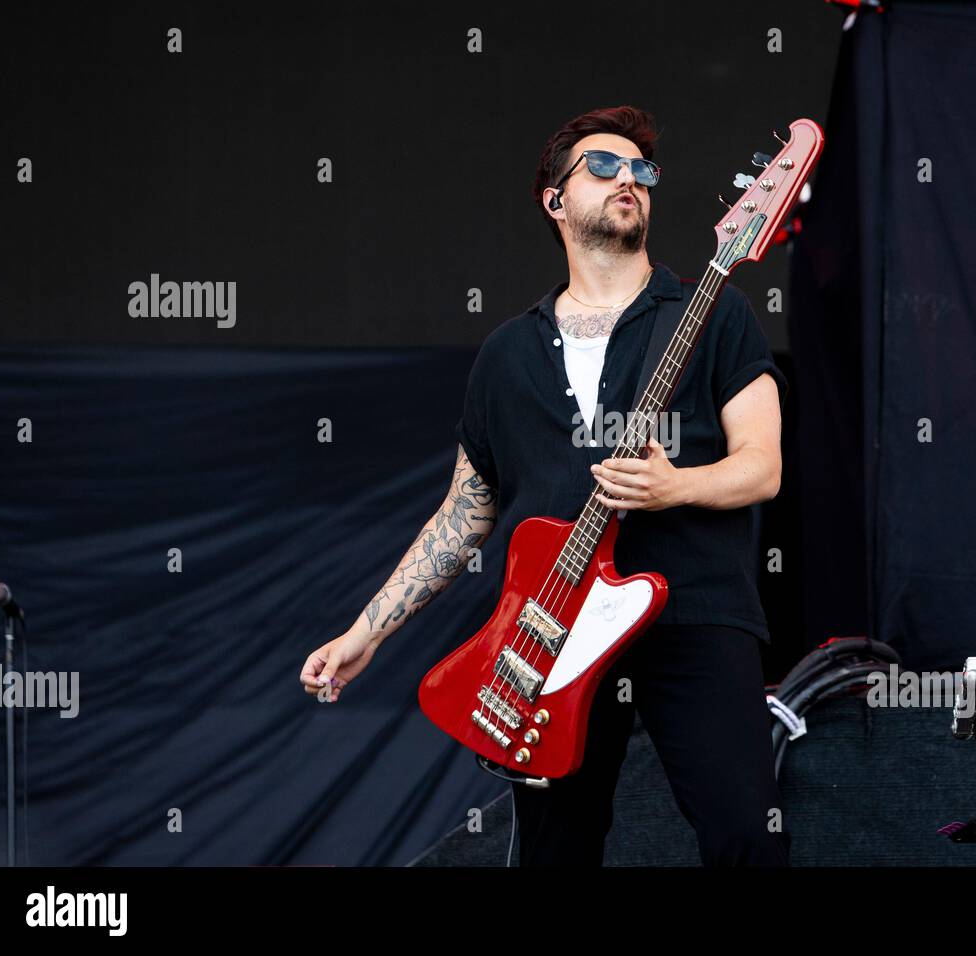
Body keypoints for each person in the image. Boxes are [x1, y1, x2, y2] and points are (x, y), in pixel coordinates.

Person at [301, 105, 790, 866]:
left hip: (695, 613)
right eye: (603, 166)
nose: (629, 178)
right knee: (555, 851)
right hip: (551, 636)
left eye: (643, 171)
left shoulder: (714, 314)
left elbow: (763, 464)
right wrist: (364, 632)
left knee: (745, 836)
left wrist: (677, 486)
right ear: (555, 201)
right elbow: (463, 514)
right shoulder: (506, 354)